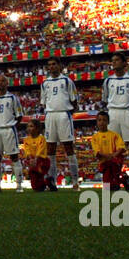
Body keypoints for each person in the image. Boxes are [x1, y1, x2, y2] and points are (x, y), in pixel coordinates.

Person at [102, 53, 129, 189]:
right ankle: (115, 179)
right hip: (113, 114)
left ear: (124, 63)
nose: (114, 63)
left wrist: (128, 108)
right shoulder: (108, 81)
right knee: (113, 148)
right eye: (112, 60)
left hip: (128, 113)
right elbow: (105, 100)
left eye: (117, 60)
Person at [40, 57, 79, 191]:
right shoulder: (45, 83)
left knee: (68, 148)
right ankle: (52, 182)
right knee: (50, 149)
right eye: (49, 65)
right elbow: (43, 102)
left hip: (64, 114)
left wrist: (67, 112)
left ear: (59, 66)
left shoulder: (67, 81)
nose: (52, 67)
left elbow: (74, 102)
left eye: (54, 64)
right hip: (50, 115)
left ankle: (75, 182)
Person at [0, 75, 23, 190]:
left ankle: (19, 185)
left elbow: (19, 116)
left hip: (9, 130)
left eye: (3, 81)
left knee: (14, 157)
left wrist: (11, 126)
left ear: (7, 83)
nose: (1, 83)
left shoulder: (13, 98)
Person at [89, 112, 129, 192]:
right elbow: (97, 151)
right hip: (104, 161)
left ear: (108, 122)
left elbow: (121, 148)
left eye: (104, 120)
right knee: (107, 184)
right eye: (99, 120)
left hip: (115, 160)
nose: (102, 122)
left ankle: (117, 183)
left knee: (112, 174)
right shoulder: (95, 137)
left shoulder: (115, 135)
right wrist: (108, 156)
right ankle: (124, 180)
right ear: (97, 122)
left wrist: (113, 155)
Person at [21, 119, 52, 192]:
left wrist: (35, 159)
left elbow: (41, 150)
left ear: (37, 128)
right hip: (32, 160)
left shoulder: (41, 138)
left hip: (42, 160)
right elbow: (27, 150)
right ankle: (44, 184)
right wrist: (30, 158)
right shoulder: (26, 140)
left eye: (31, 126)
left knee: (38, 171)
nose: (29, 128)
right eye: (28, 126)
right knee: (35, 186)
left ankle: (48, 181)